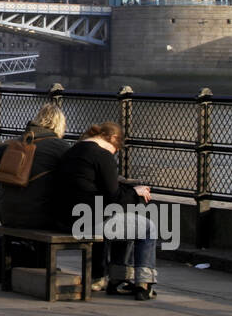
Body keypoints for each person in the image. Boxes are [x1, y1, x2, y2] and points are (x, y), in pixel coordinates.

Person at [47, 122, 157, 299]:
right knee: (147, 227)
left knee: (126, 221)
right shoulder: (102, 155)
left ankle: (118, 280)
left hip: (64, 219)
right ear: (113, 139)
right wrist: (136, 192)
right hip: (87, 223)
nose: (115, 152)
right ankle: (144, 283)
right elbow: (115, 197)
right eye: (117, 148)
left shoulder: (72, 152)